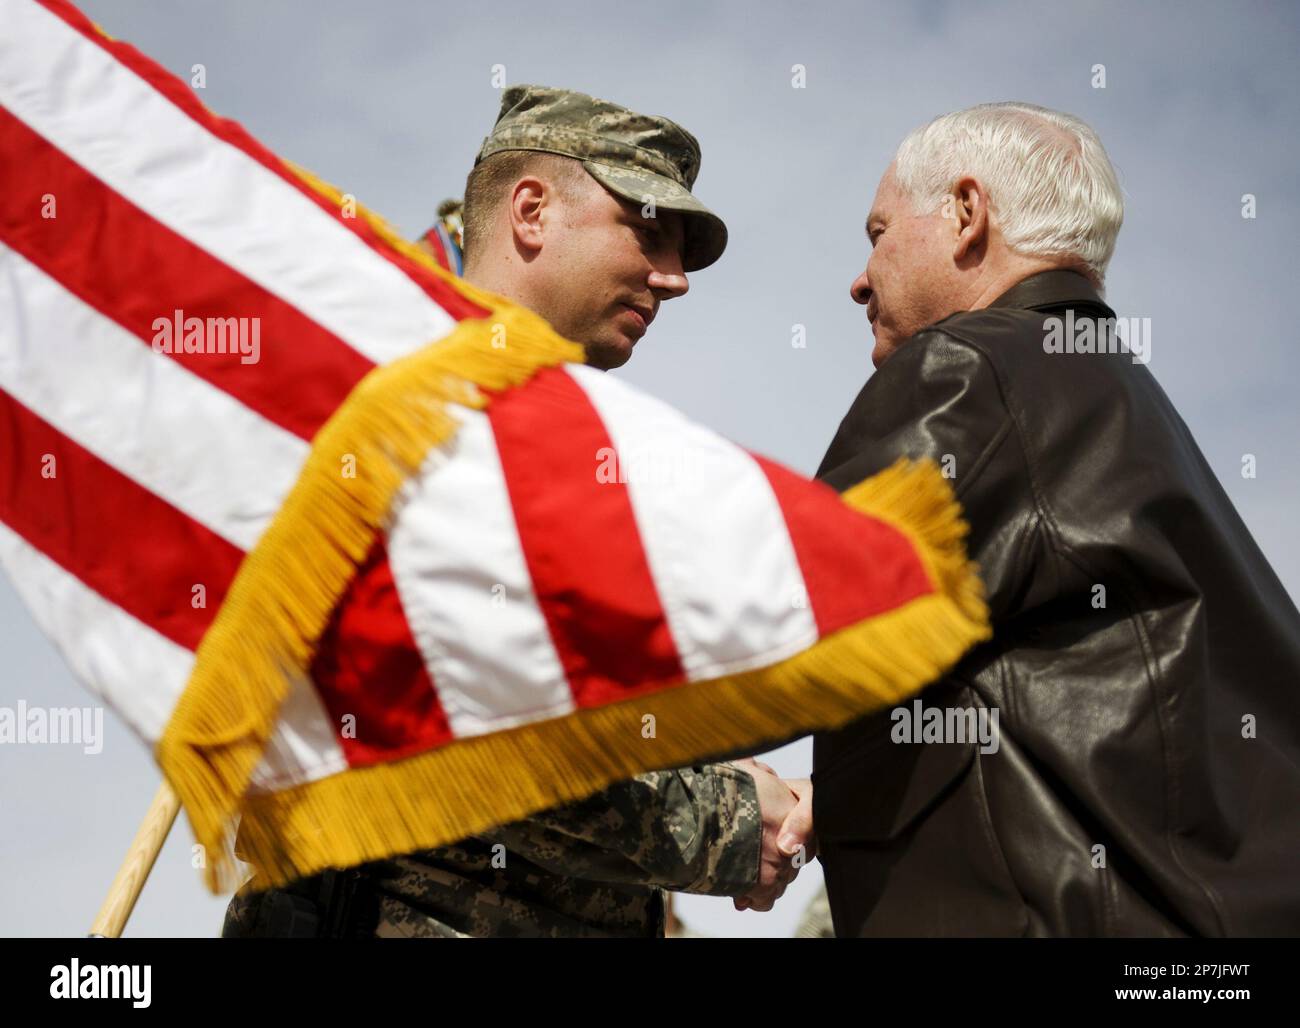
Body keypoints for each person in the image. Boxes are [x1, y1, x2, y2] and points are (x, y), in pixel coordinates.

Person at [223, 85, 812, 939]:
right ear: (531, 211)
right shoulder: (404, 415)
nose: (675, 279)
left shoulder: (545, 441)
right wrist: (726, 824)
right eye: (648, 232)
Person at [811, 101, 1300, 936]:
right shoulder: (1135, 415)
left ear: (968, 215)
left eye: (879, 232)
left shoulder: (967, 371)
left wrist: (714, 810)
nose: (860, 277)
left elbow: (789, 614)